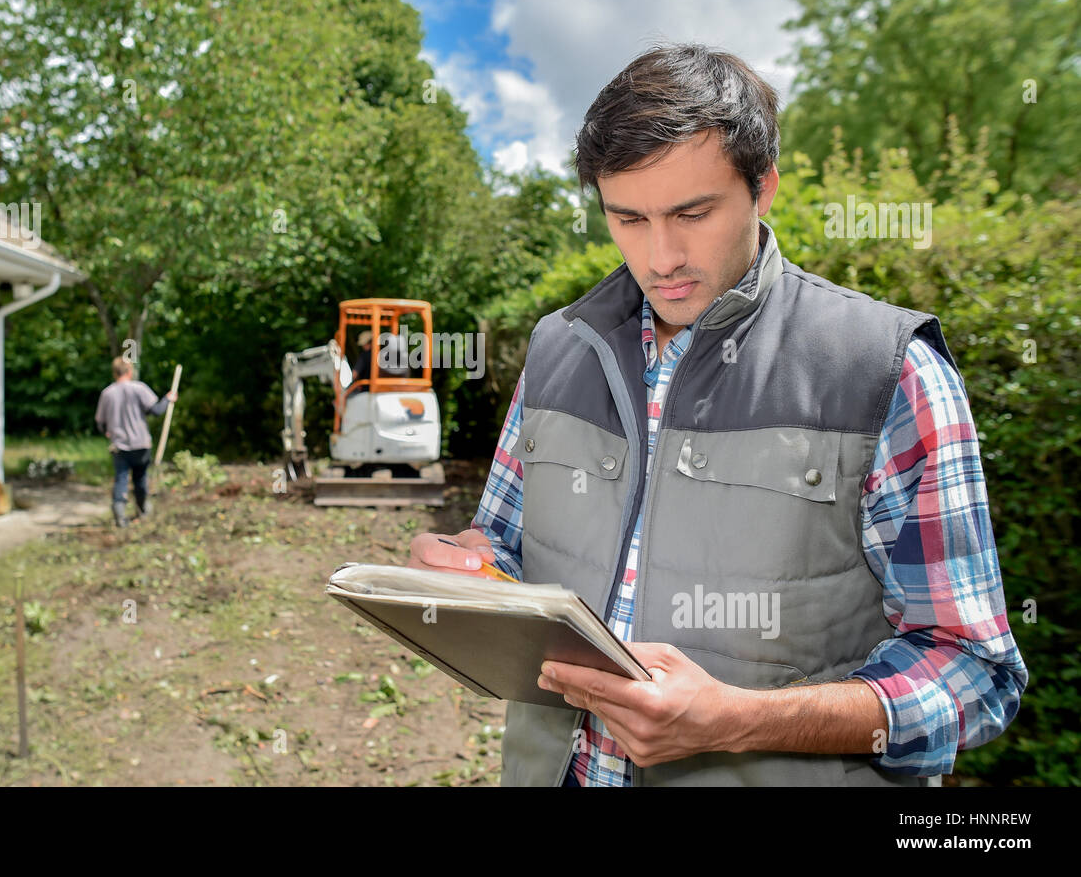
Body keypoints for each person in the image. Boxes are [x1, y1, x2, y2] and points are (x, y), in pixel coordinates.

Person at [407, 43, 1027, 787]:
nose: (660, 255)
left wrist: (740, 717)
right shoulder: (555, 348)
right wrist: (475, 568)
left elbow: (973, 670)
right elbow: (510, 549)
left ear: (763, 187)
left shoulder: (887, 370)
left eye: (692, 212)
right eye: (627, 217)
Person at [94, 356, 176, 527]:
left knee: (121, 479)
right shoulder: (139, 388)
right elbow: (156, 410)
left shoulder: (107, 393)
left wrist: (107, 432)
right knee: (140, 479)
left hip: (119, 445)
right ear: (129, 371)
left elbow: (100, 422)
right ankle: (142, 509)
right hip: (141, 444)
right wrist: (168, 399)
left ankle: (120, 514)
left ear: (114, 373)